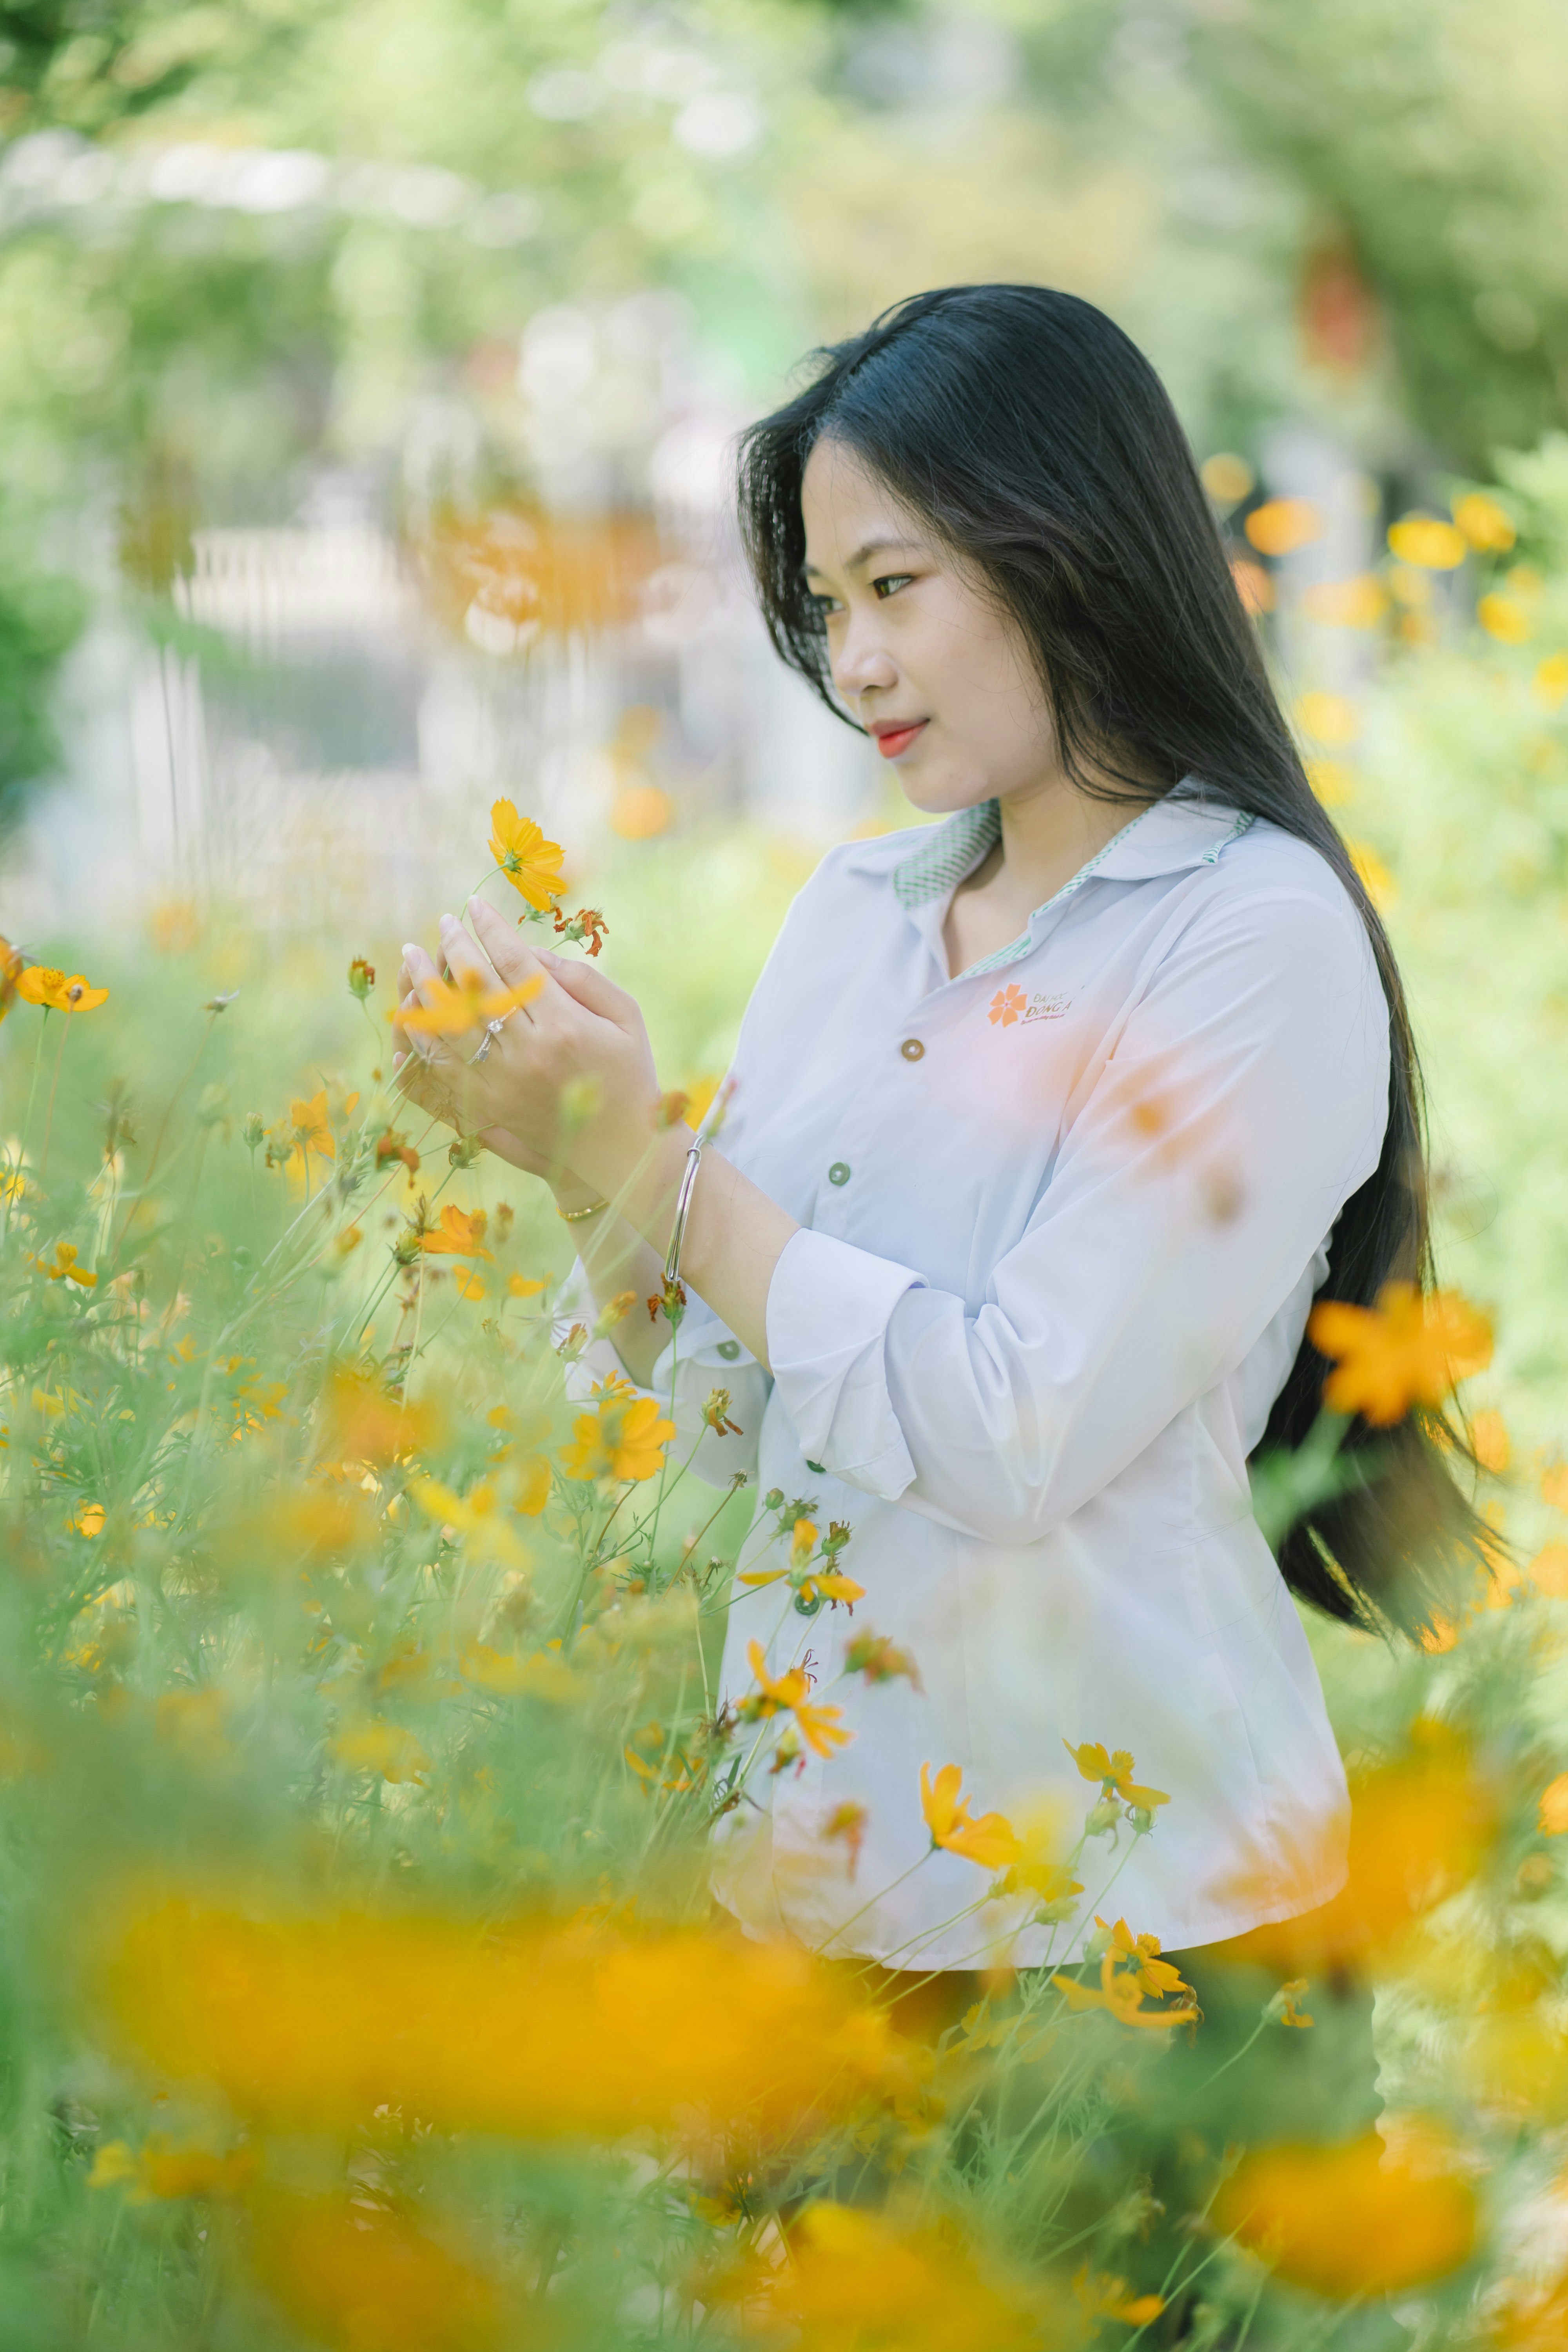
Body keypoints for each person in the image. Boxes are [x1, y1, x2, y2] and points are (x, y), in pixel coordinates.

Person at [392, 283, 1481, 1996]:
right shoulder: (860, 909)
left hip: (1143, 1946)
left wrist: (648, 1161)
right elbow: (744, 1421)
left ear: (1073, 552)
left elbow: (1008, 1436)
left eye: (895, 586)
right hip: (818, 1919)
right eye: (828, 606)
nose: (857, 663)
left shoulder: (1250, 934)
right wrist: (583, 1165)